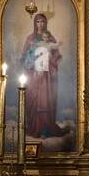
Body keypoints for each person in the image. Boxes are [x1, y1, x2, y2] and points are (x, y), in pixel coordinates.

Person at [19, 12, 62, 140]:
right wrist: (31, 63)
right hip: (33, 76)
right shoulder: (30, 39)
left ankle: (45, 129)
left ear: (46, 23)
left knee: (45, 99)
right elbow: (23, 57)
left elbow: (57, 56)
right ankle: (33, 127)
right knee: (33, 98)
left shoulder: (50, 38)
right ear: (35, 23)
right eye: (38, 21)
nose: (40, 24)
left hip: (46, 76)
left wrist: (50, 63)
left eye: (42, 21)